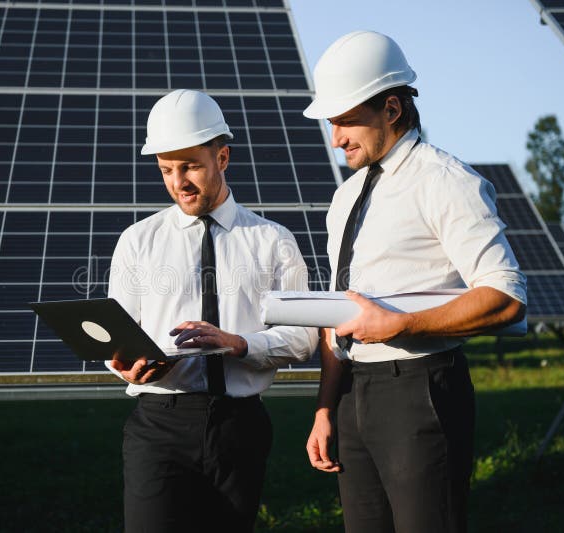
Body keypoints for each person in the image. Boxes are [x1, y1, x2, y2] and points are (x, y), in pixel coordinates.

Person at [302, 31, 527, 533]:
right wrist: (325, 407)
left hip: (421, 392)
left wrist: (402, 323)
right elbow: (341, 310)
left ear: (392, 108)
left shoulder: (446, 181)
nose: (336, 137)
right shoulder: (345, 198)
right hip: (353, 396)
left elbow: (507, 297)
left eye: (345, 121)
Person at [105, 89, 317, 533]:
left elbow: (303, 338)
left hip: (238, 424)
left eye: (191, 166)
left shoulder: (273, 240)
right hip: (158, 422)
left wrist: (239, 344)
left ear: (222, 157)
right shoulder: (137, 241)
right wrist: (124, 366)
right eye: (166, 169)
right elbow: (117, 336)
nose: (178, 181)